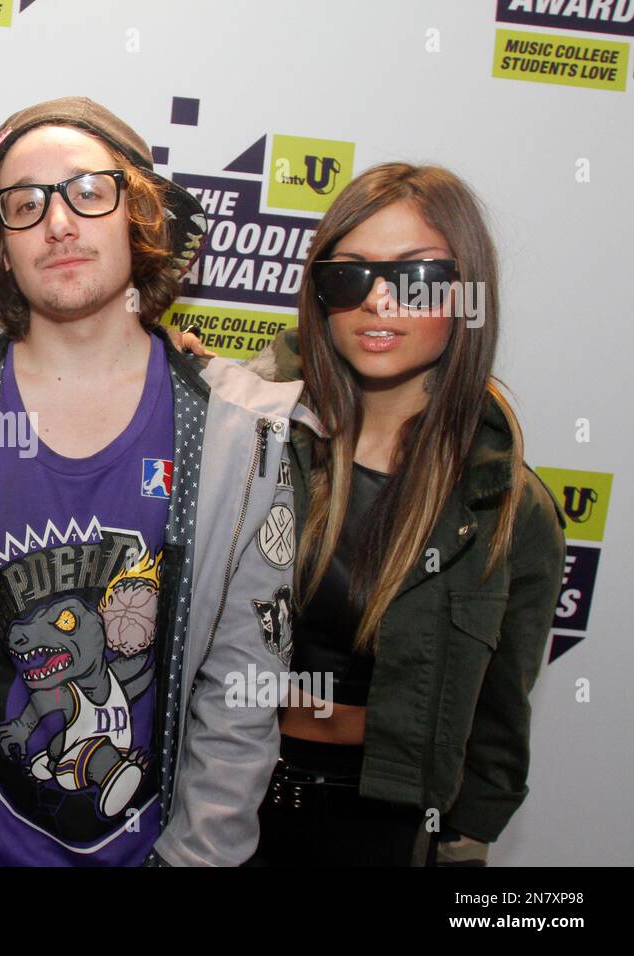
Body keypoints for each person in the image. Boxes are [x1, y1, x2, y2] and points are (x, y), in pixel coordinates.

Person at [0, 96, 321, 867]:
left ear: (139, 215)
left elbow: (242, 688)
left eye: (87, 192)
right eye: (24, 204)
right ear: (1, 242)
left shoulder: (239, 432)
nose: (57, 223)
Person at [224, 163, 565, 865]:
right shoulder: (250, 441)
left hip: (382, 827)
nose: (379, 301)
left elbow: (499, 721)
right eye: (348, 277)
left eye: (415, 278)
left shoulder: (505, 509)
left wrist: (465, 844)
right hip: (222, 795)